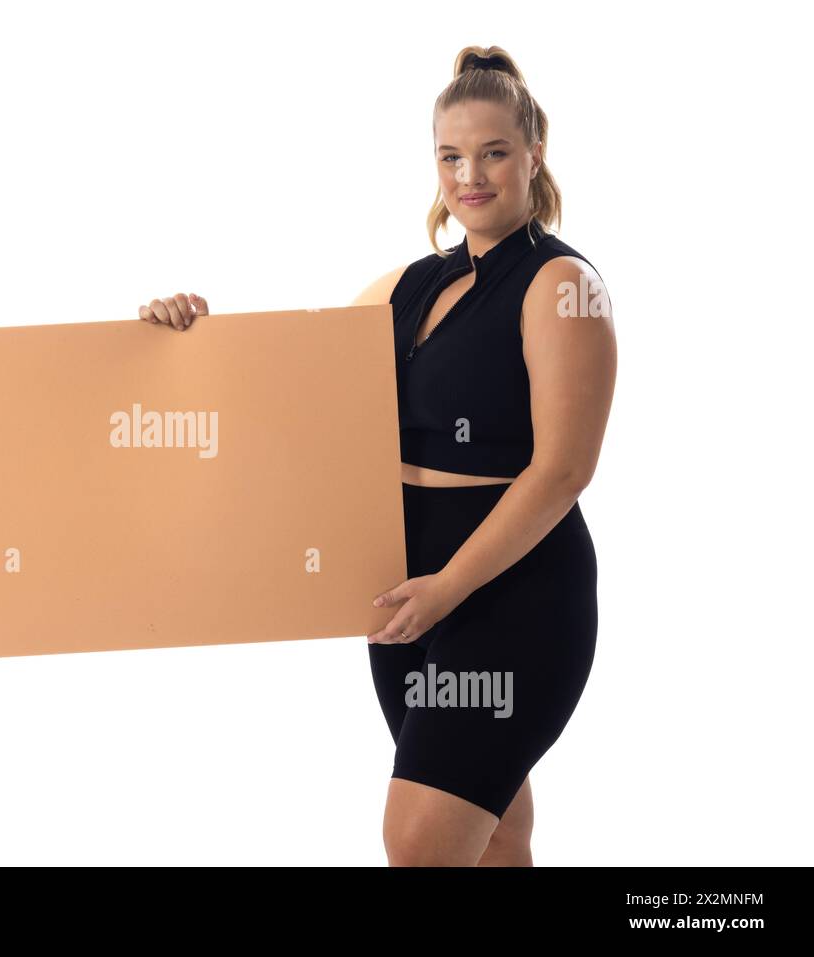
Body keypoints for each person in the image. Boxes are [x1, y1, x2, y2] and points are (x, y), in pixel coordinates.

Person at [137, 45, 617, 866]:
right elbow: (289, 380)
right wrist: (193, 334)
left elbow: (562, 472)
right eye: (451, 156)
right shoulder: (406, 287)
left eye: (494, 152)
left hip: (512, 597)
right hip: (403, 599)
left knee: (419, 842)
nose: (471, 174)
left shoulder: (561, 286)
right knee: (495, 835)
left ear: (534, 154)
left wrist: (447, 590)